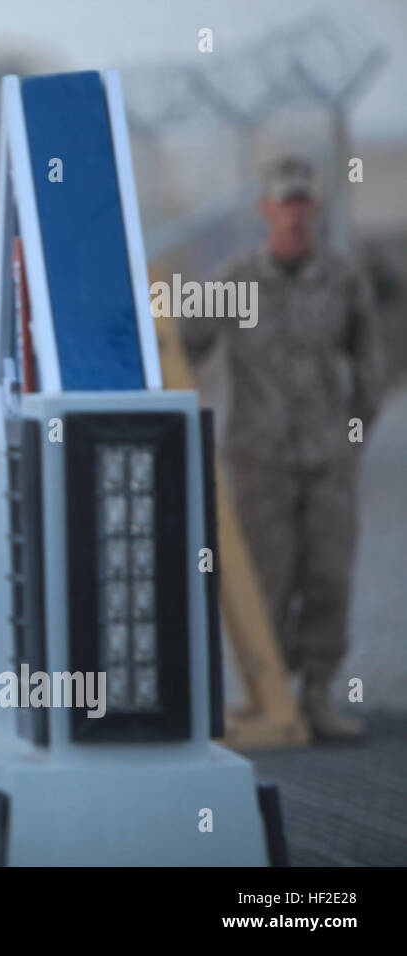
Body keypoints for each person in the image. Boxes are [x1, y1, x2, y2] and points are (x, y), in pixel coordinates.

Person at [179, 156, 383, 741]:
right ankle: (268, 698)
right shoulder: (235, 281)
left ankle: (316, 695)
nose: (294, 216)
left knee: (328, 575)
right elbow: (182, 347)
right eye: (283, 205)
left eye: (303, 204)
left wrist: (349, 440)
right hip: (258, 460)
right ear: (265, 210)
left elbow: (369, 371)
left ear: (314, 208)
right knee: (263, 580)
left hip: (327, 462)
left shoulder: (343, 280)